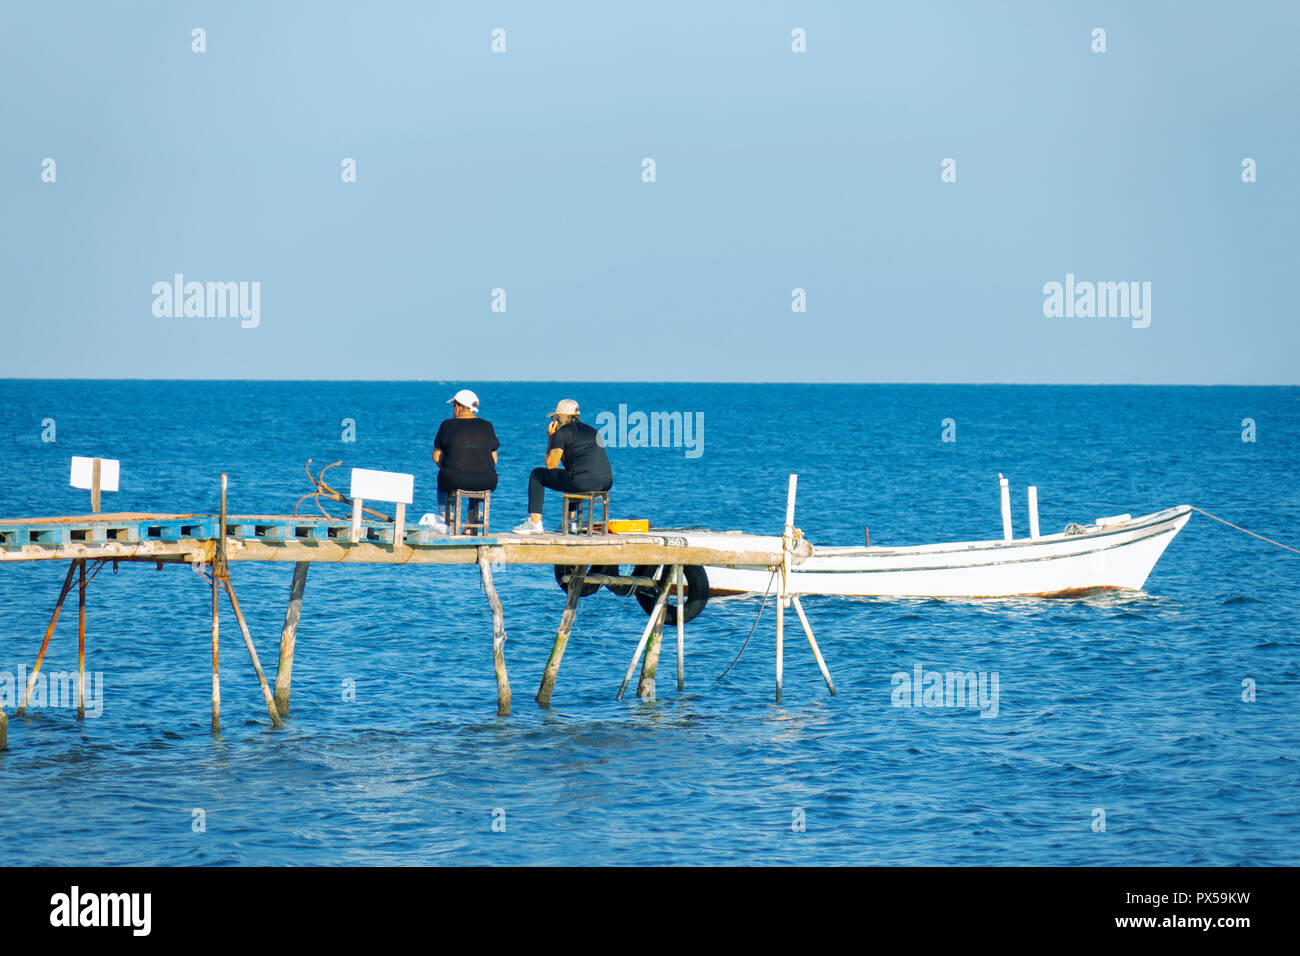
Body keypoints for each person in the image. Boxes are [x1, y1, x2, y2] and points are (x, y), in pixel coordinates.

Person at [513, 399, 612, 534]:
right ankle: (571, 522)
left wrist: (551, 438)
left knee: (536, 474)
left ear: (560, 417)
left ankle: (534, 523)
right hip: (606, 482)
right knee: (572, 474)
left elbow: (551, 465)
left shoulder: (562, 433)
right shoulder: (593, 431)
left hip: (583, 482)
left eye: (555, 417)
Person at [428, 388, 498, 534]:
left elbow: (436, 457)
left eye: (454, 406)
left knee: (444, 479)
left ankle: (447, 521)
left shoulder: (447, 425)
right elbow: (494, 459)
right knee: (477, 478)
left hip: (453, 479)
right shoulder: (487, 426)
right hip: (487, 481)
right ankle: (470, 524)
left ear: (458, 406)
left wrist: (449, 466)